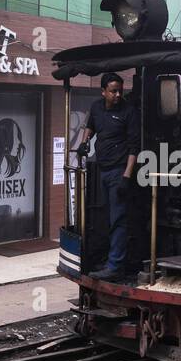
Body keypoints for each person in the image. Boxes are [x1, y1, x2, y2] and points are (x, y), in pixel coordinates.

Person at [76, 72, 139, 281]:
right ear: (103, 91)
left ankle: (115, 267)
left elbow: (134, 147)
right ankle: (105, 259)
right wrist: (84, 143)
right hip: (101, 169)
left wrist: (126, 177)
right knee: (103, 219)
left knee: (118, 220)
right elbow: (90, 126)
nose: (118, 95)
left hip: (118, 171)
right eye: (113, 91)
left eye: (120, 91)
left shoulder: (129, 112)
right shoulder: (96, 107)